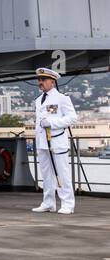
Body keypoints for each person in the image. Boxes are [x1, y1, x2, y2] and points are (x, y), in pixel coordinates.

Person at [32, 67, 78, 214]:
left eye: (43, 80)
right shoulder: (38, 100)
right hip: (42, 142)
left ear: (52, 82)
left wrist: (52, 123)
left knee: (62, 174)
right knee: (46, 175)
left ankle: (67, 204)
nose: (40, 82)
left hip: (57, 142)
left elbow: (72, 118)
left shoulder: (62, 99)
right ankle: (48, 203)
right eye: (39, 80)